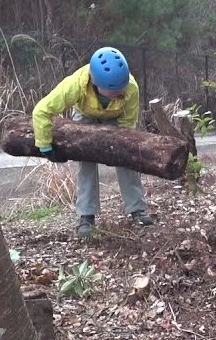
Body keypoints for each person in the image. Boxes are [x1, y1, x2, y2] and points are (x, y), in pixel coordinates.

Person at [32, 46, 156, 236]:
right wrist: (45, 145)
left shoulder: (131, 88)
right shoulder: (75, 84)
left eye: (119, 89)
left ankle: (137, 209)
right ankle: (86, 216)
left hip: (116, 118)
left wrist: (123, 144)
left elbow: (127, 124)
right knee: (86, 161)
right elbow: (41, 111)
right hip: (85, 114)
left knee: (127, 158)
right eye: (111, 90)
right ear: (96, 82)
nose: (117, 93)